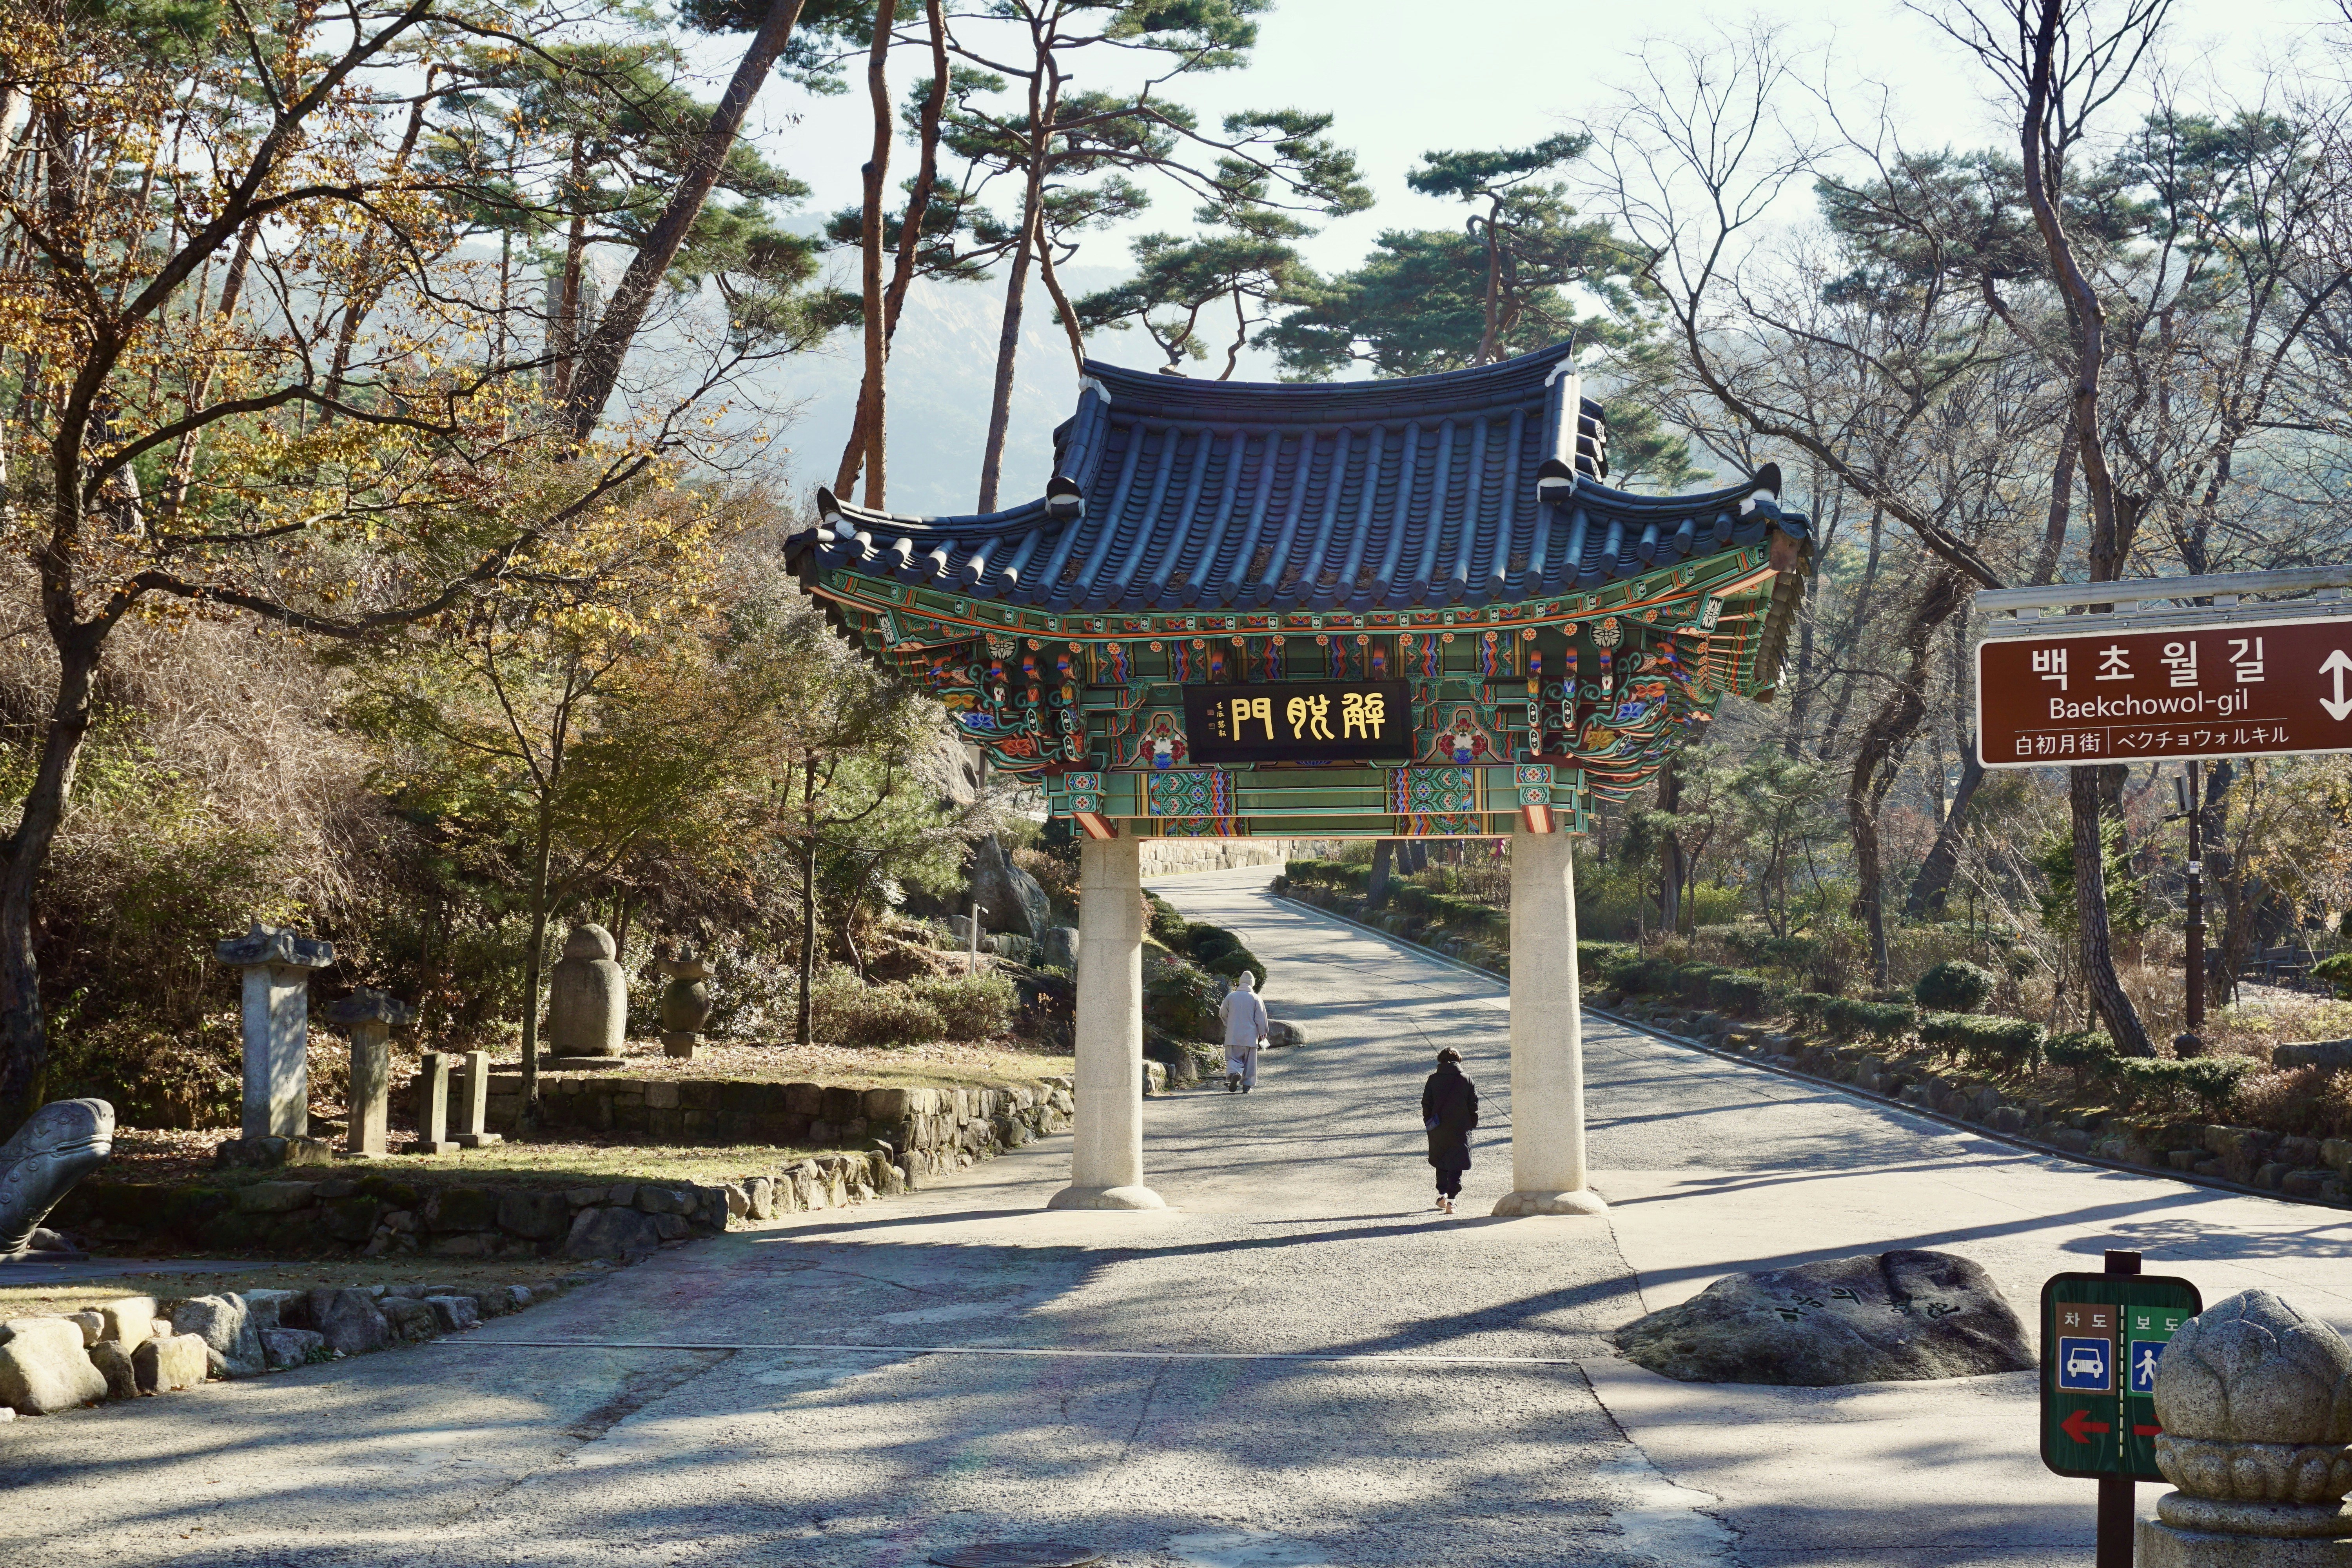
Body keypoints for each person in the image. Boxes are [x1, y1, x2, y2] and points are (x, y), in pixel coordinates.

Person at [1421, 1047, 1478, 1214]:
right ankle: (1452, 1202)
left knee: (1441, 1160)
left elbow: (1427, 1103)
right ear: (1458, 1060)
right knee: (1457, 1162)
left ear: (1441, 1060)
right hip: (1461, 1128)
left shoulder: (1433, 1079)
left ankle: (1442, 1196)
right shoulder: (1466, 1079)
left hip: (1438, 1127)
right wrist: (1472, 1123)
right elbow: (1473, 1104)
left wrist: (1429, 1122)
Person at [1218, 971, 1268, 1093]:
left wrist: (1227, 1023)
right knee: (1250, 1062)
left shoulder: (1230, 997)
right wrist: (1263, 1032)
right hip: (1250, 1037)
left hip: (1233, 1035)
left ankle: (1235, 1073)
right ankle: (1247, 1085)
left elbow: (1223, 1013)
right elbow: (1260, 1017)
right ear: (1253, 983)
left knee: (1233, 1058)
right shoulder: (1256, 998)